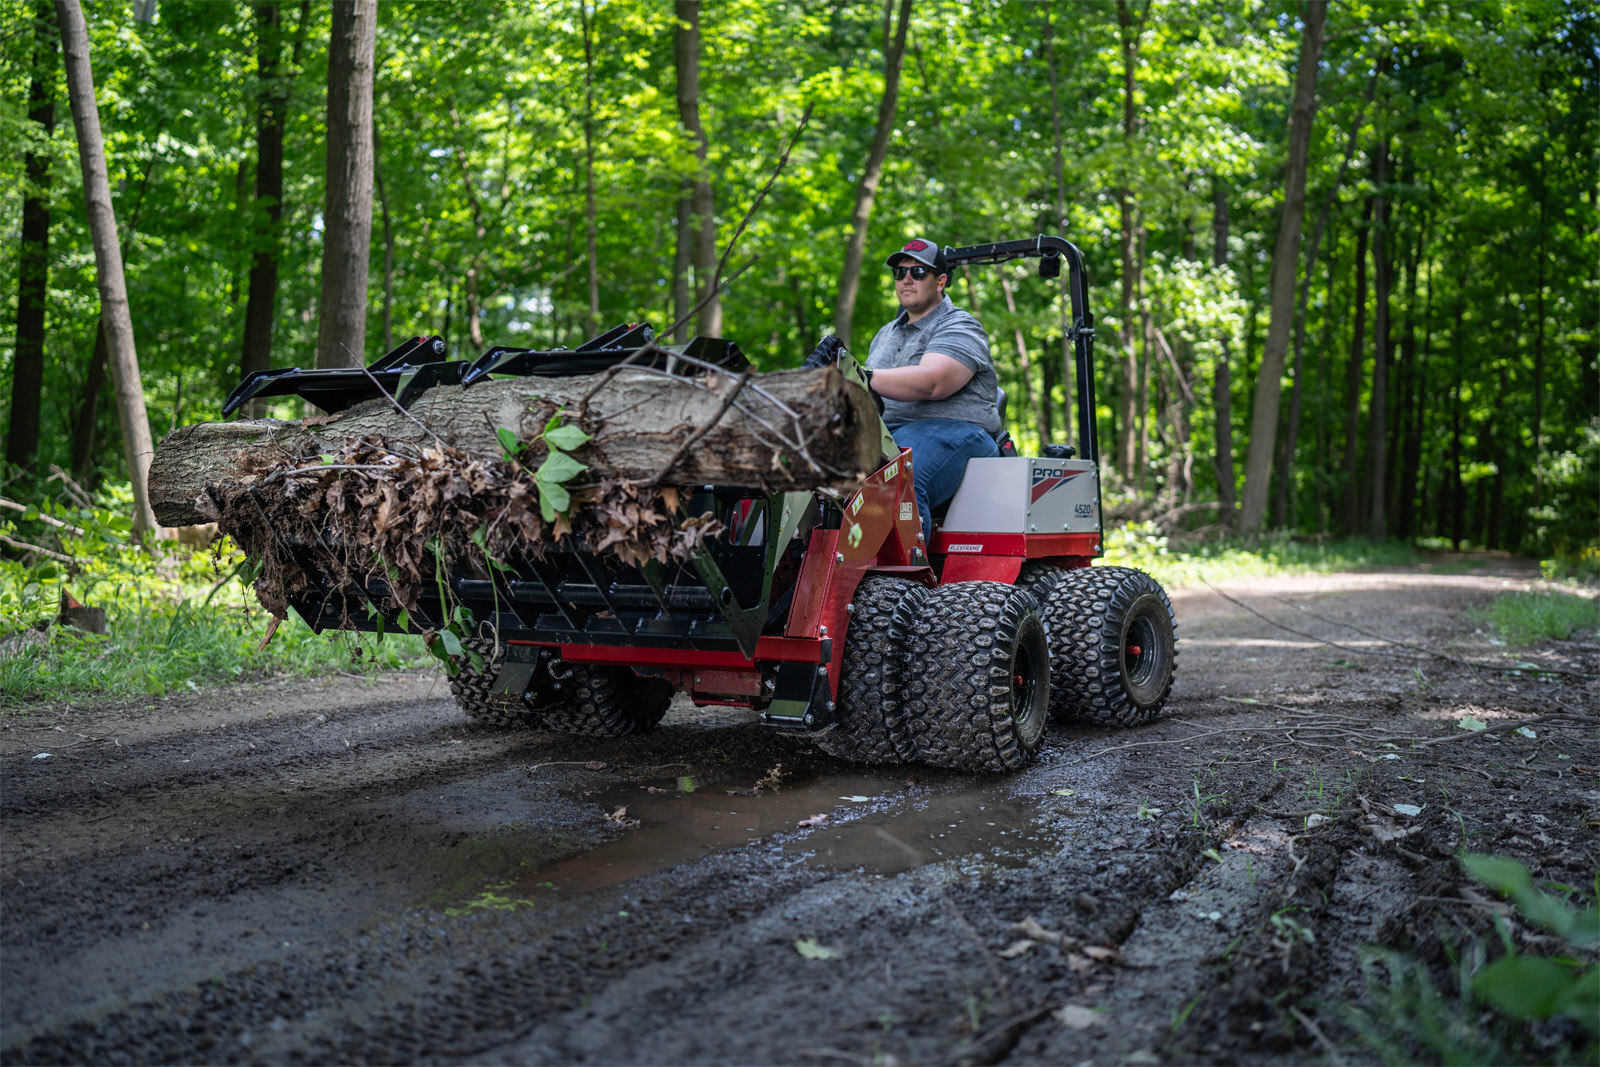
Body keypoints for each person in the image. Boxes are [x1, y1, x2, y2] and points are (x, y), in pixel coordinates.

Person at [807, 237, 1000, 547]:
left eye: (918, 272)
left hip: (958, 432)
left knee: (895, 475)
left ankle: (906, 587)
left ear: (941, 281)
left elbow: (932, 382)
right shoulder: (886, 333)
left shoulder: (960, 325)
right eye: (900, 272)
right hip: (889, 433)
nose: (906, 278)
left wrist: (860, 374)